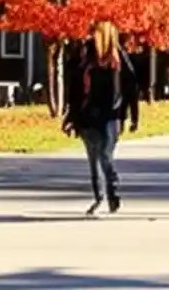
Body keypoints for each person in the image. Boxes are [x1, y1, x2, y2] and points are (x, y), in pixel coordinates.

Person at [62, 20, 140, 216]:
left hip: (110, 117)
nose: (92, 37)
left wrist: (133, 117)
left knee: (105, 155)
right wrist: (70, 116)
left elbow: (130, 89)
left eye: (96, 34)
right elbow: (76, 89)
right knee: (92, 159)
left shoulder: (117, 60)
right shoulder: (86, 58)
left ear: (106, 36)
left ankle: (112, 191)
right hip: (87, 117)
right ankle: (98, 197)